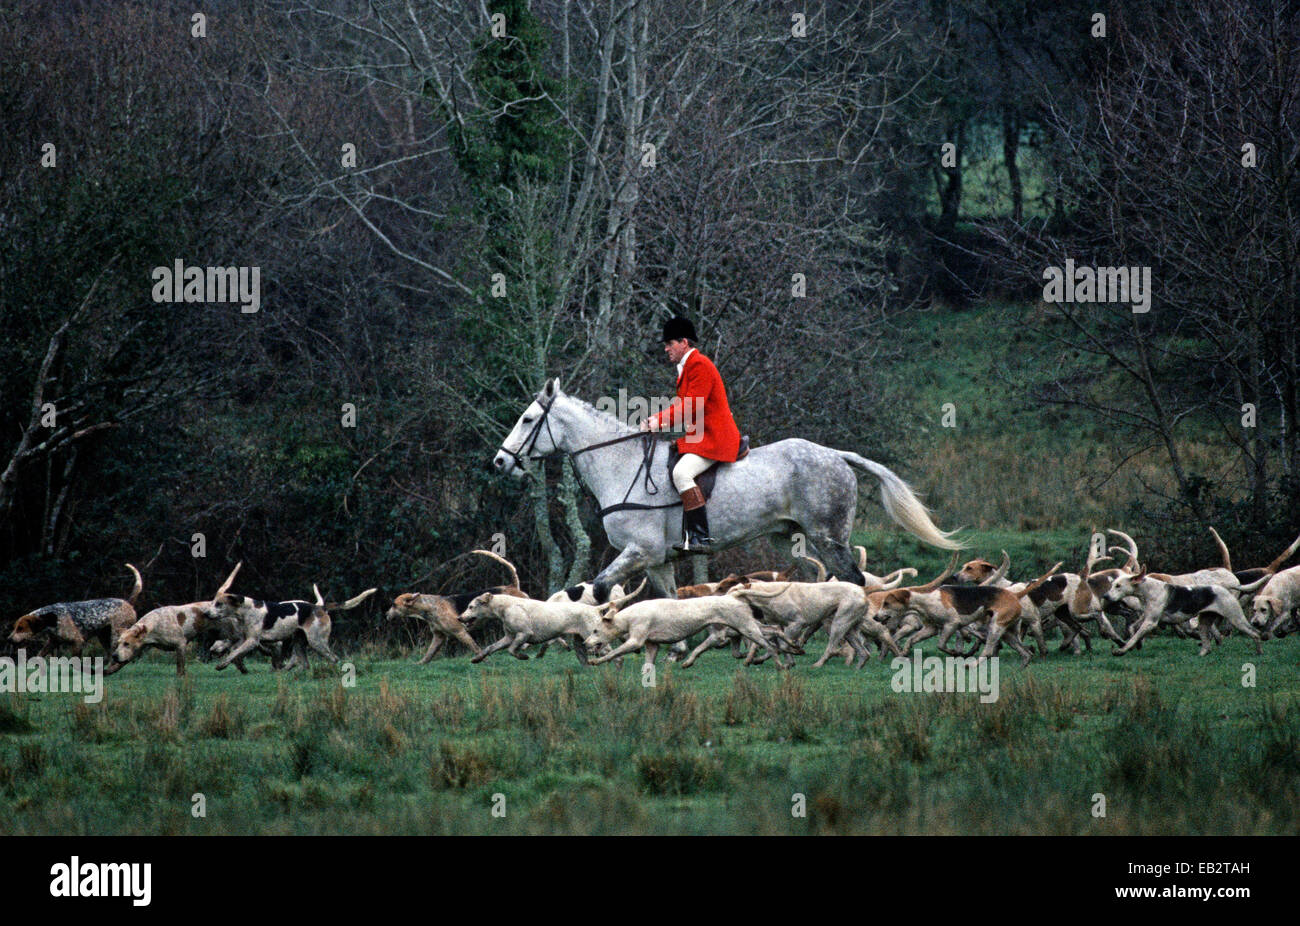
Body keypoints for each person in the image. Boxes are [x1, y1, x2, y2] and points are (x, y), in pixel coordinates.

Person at [639, 316, 741, 552]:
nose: (666, 349)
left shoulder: (700, 365)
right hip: (701, 436)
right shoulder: (687, 367)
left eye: (669, 344)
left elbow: (690, 406)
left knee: (682, 473)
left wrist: (657, 421)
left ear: (684, 342)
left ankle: (701, 537)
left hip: (716, 438)